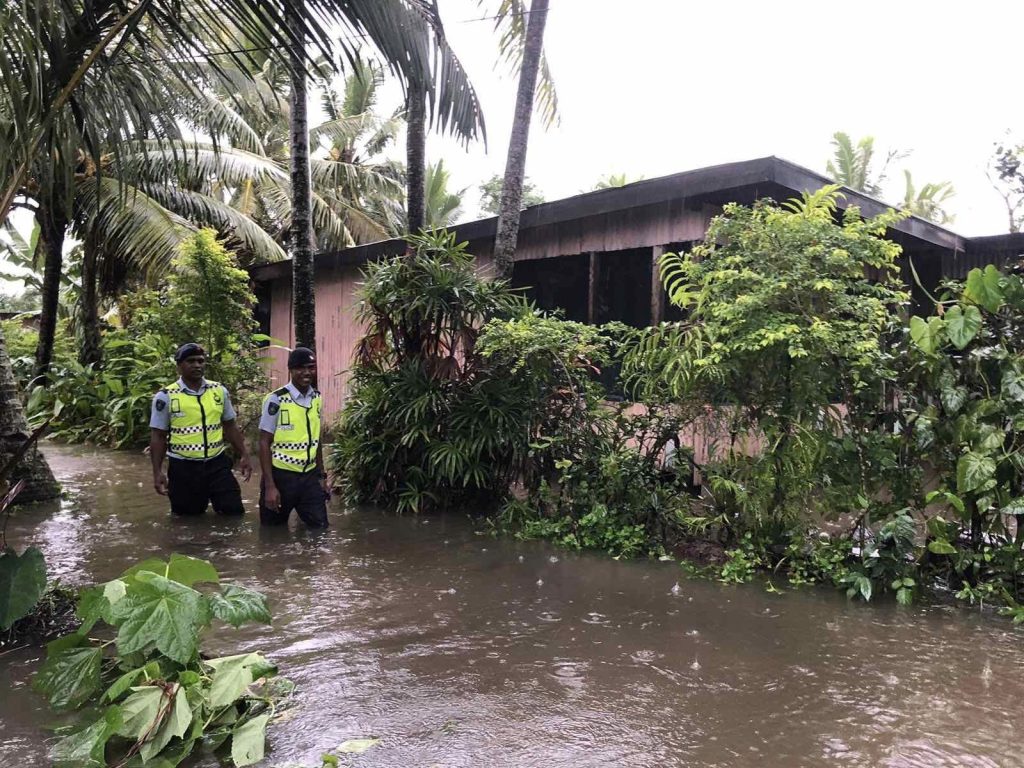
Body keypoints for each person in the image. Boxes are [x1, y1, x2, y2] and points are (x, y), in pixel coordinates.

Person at [149, 342, 253, 516]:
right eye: (191, 361)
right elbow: (158, 437)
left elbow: (230, 425)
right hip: (183, 469)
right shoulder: (166, 396)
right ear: (179, 366)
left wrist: (244, 454)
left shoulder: (218, 390)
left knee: (233, 513)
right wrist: (157, 472)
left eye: (200, 361)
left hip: (217, 464)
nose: (197, 365)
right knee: (187, 520)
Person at [258, 347, 329, 528]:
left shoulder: (316, 398)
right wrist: (270, 486)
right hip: (281, 477)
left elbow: (317, 439)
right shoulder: (276, 399)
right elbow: (264, 442)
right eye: (300, 368)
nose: (307, 372)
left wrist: (322, 476)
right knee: (272, 533)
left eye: (311, 367)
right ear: (291, 370)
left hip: (309, 478)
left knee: (320, 529)